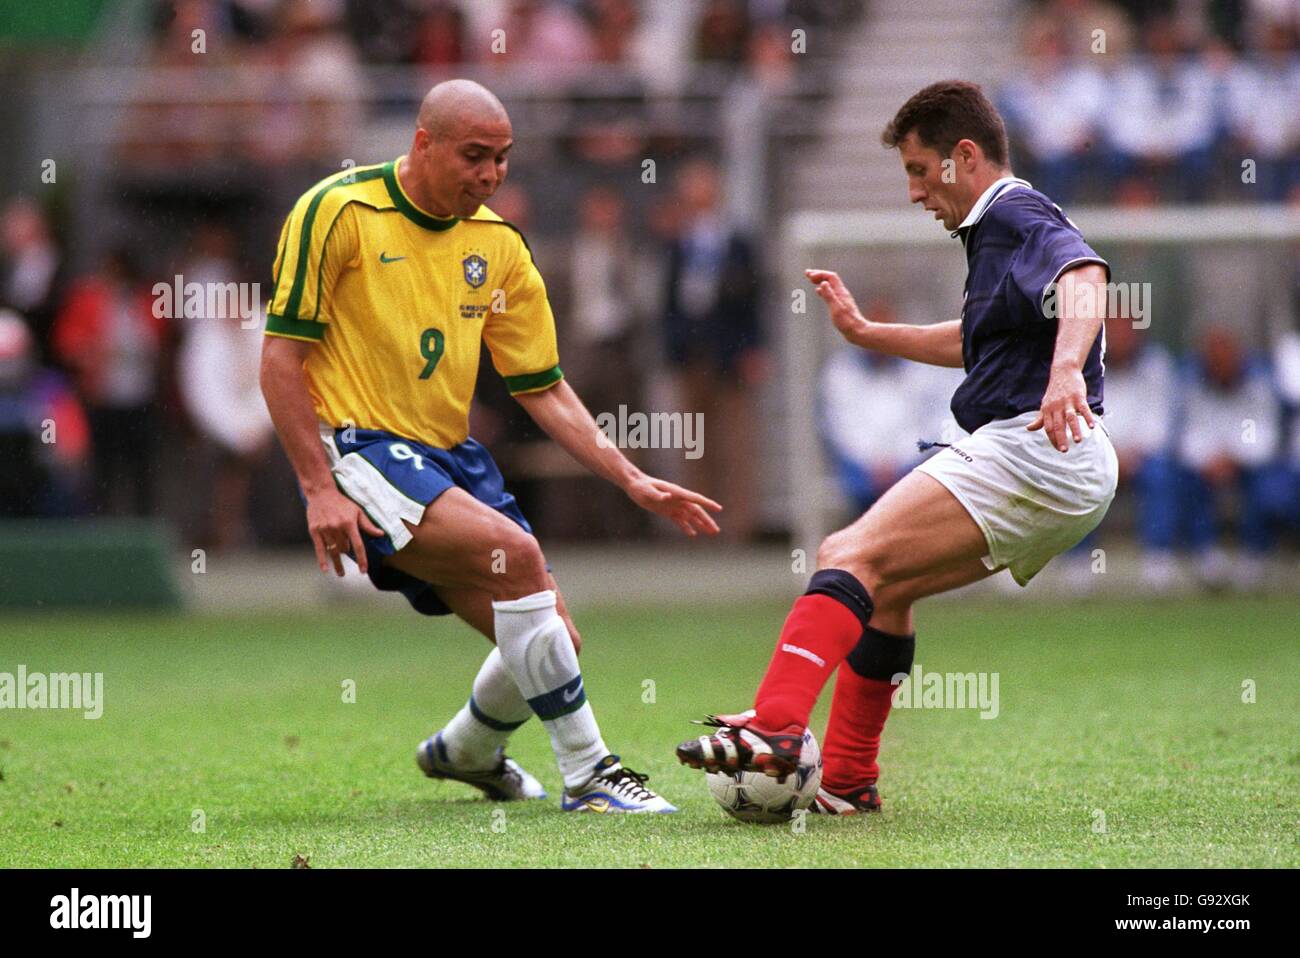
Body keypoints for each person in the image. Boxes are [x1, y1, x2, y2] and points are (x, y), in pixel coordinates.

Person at [259, 79, 720, 814]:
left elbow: (544, 387)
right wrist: (318, 488)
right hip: (360, 452)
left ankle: (466, 750)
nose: (490, 175)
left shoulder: (499, 245)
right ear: (423, 143)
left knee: (553, 634)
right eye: (475, 156)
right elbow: (280, 360)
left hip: (450, 458)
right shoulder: (336, 210)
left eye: (502, 160)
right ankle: (590, 774)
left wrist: (632, 478)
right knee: (523, 560)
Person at [676, 80, 1118, 814]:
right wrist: (869, 334)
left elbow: (1085, 274)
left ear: (965, 156)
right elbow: (977, 341)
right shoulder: (999, 230)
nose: (914, 192)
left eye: (920, 171)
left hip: (1035, 449)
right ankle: (849, 778)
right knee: (885, 590)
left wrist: (1068, 366)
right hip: (1062, 462)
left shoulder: (1012, 212)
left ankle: (778, 729)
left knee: (845, 554)